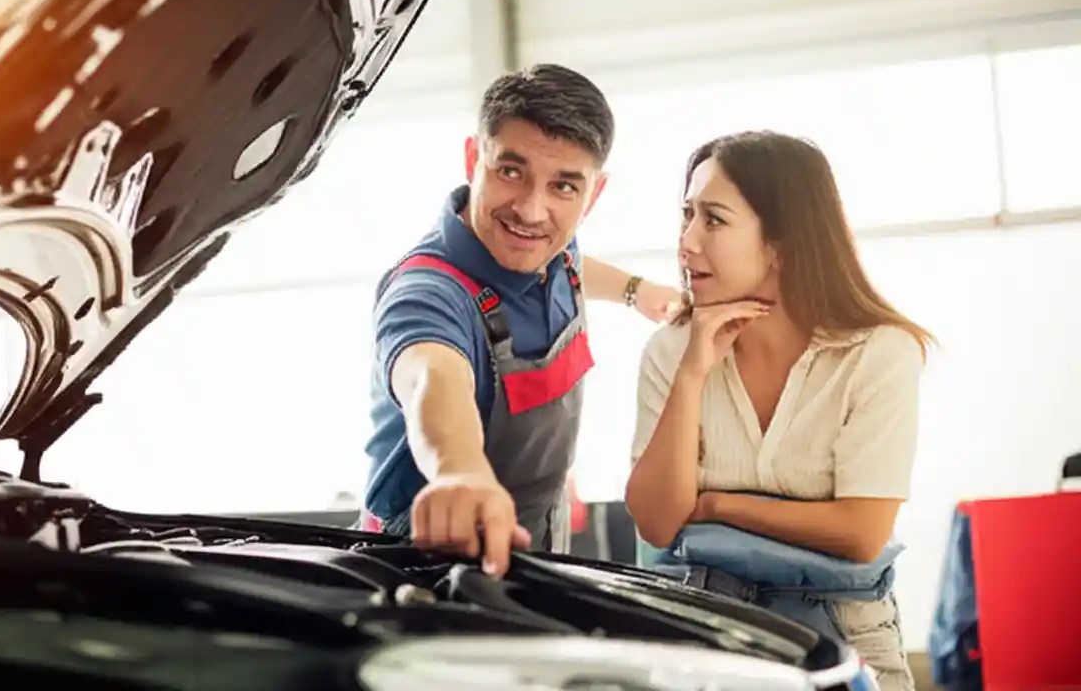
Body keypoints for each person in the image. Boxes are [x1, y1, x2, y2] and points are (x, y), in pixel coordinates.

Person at [625, 130, 931, 690]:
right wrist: (692, 375)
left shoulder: (880, 353)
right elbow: (657, 521)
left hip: (847, 635)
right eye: (687, 215)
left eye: (713, 220)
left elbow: (862, 531)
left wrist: (716, 505)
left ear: (783, 243)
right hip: (701, 623)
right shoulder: (671, 351)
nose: (686, 242)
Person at [361, 63, 681, 577]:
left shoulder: (552, 247)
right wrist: (459, 470)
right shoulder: (426, 293)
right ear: (474, 159)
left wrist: (635, 291)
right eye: (511, 172)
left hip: (537, 547)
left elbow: (575, 266)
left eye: (563, 187)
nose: (531, 211)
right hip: (424, 572)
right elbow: (431, 377)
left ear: (592, 194)